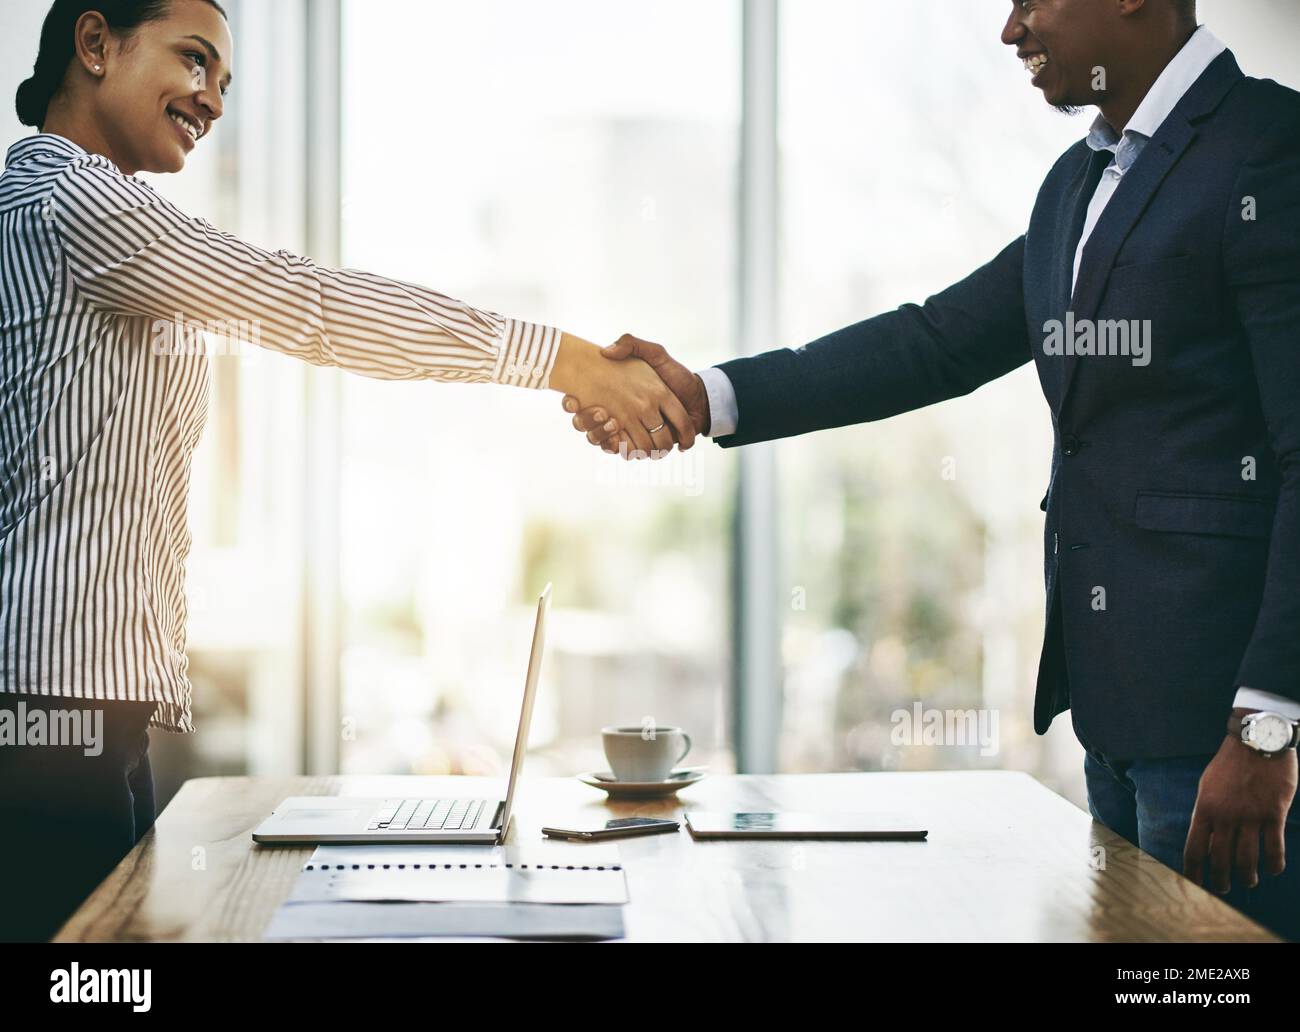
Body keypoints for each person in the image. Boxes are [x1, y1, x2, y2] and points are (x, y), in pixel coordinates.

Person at [568, 0, 1300, 940]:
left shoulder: (1268, 150)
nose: (1011, 29)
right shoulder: (1079, 183)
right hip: (1121, 725)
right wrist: (708, 396)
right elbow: (934, 342)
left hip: (1230, 739)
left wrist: (1267, 728)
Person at [0, 0, 692, 942]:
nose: (212, 101)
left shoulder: (79, 211)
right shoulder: (75, 202)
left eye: (225, 84)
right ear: (94, 44)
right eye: (194, 61)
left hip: (78, 706)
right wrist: (566, 362)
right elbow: (307, 303)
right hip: (46, 711)